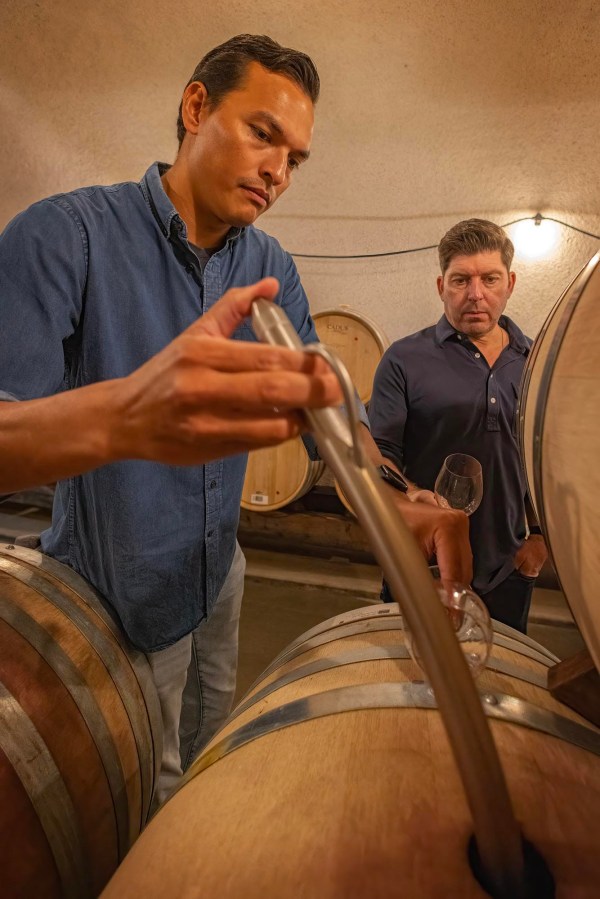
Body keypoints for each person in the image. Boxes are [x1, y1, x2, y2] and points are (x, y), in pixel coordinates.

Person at [0, 35, 471, 803]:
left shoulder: (269, 265)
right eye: (263, 134)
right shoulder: (67, 235)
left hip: (218, 573)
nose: (279, 172)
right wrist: (125, 415)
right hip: (109, 595)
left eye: (296, 157)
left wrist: (385, 496)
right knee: (136, 796)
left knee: (208, 753)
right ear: (195, 107)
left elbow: (326, 403)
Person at [370, 219, 548, 633]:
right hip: (423, 563)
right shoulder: (404, 359)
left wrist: (538, 537)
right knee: (417, 680)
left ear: (511, 282)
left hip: (508, 567)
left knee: (502, 686)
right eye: (460, 280)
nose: (476, 294)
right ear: (440, 286)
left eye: (490, 278)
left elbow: (544, 455)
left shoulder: (535, 362)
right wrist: (412, 494)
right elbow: (379, 454)